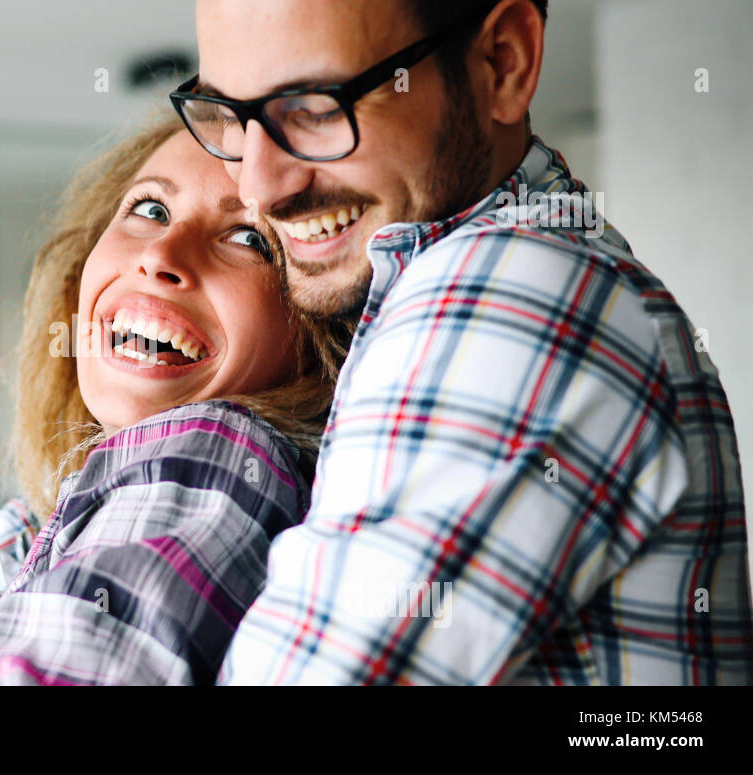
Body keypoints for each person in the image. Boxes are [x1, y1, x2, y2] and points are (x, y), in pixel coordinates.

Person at [181, 0, 751, 684]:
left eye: (315, 106)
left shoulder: (512, 286)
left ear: (503, 62)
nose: (258, 187)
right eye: (231, 117)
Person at [0, 119, 352, 686]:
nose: (161, 255)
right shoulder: (87, 487)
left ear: (318, 335)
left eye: (250, 238)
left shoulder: (216, 451)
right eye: (151, 209)